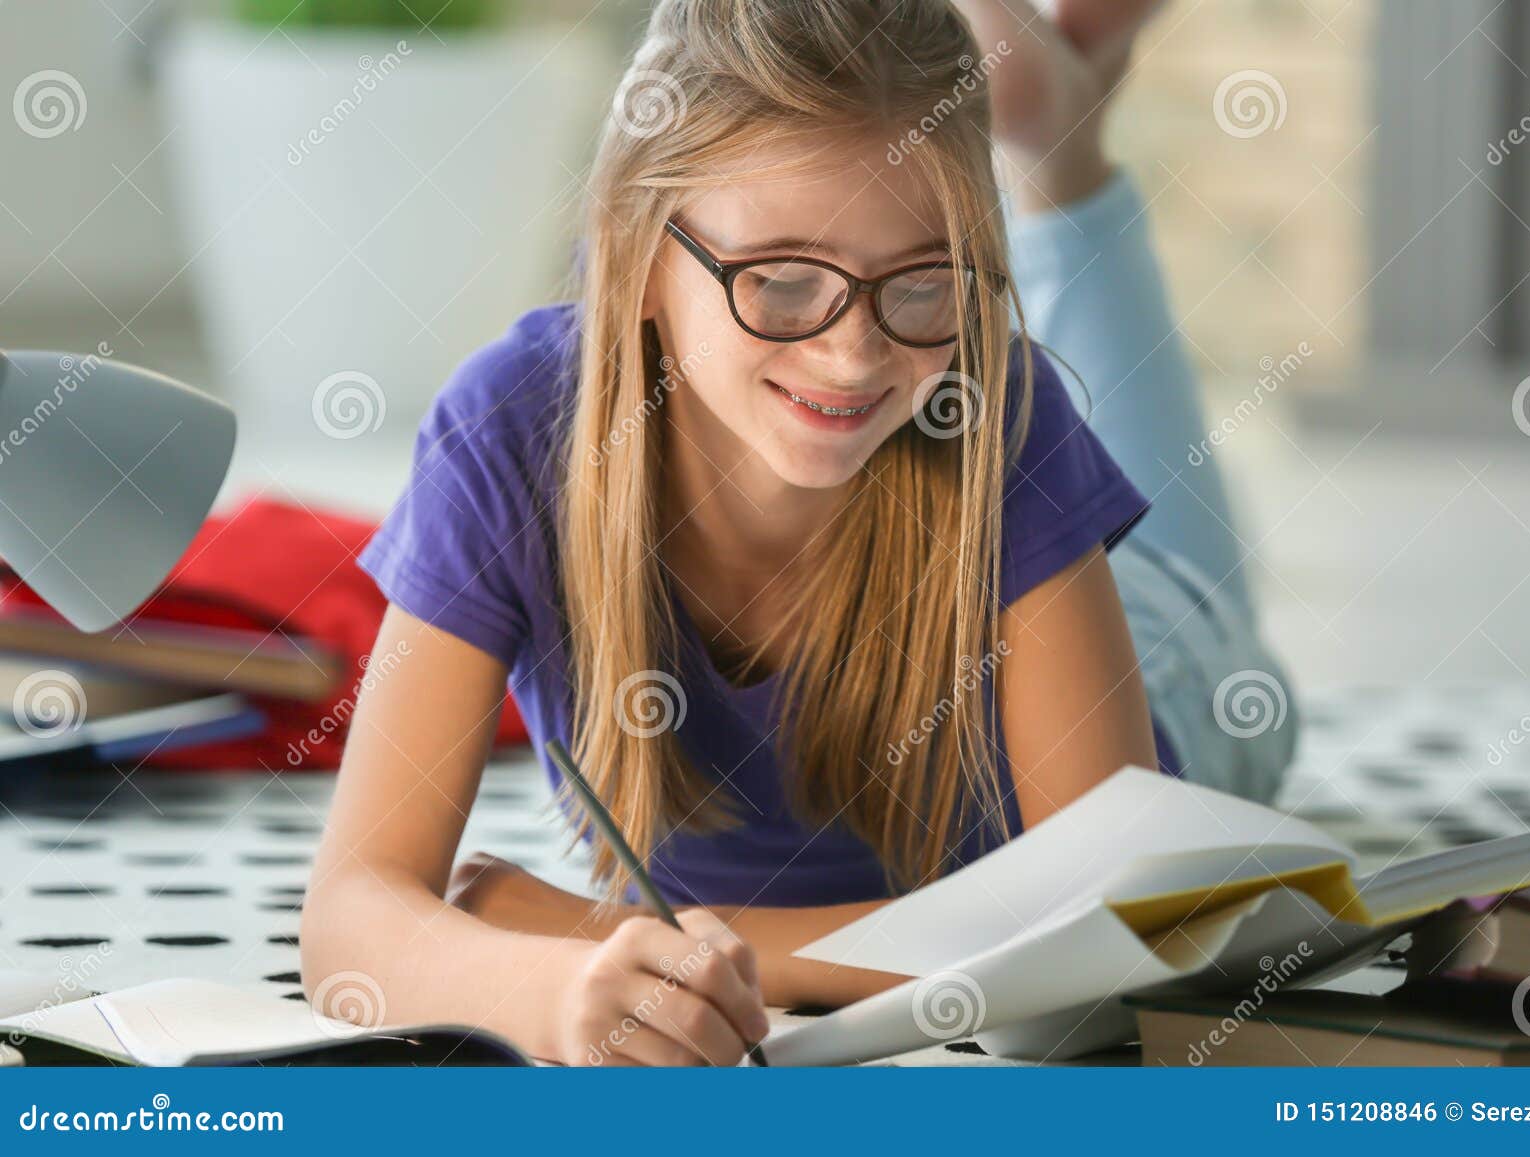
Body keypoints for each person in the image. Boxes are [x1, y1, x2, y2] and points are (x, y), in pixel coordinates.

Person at [302, 0, 1295, 1068]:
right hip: (1063, 592)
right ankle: (1051, 117)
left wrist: (616, 935)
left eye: (922, 280)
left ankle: (1059, 145)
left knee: (1201, 590)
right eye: (778, 282)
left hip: (1168, 662)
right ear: (633, 254)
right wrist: (555, 992)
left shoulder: (992, 404)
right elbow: (350, 916)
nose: (852, 357)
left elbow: (1109, 930)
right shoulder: (508, 430)